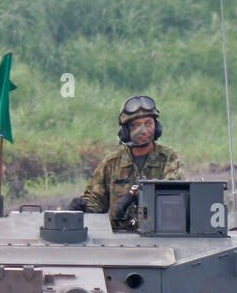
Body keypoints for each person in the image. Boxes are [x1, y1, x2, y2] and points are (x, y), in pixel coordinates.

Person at [70, 95, 184, 228]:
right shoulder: (112, 163)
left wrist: (134, 195)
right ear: (125, 131)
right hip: (120, 238)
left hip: (157, 234)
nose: (144, 130)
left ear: (156, 127)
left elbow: (171, 192)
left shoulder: (168, 157)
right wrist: (82, 206)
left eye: (148, 123)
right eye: (136, 125)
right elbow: (95, 201)